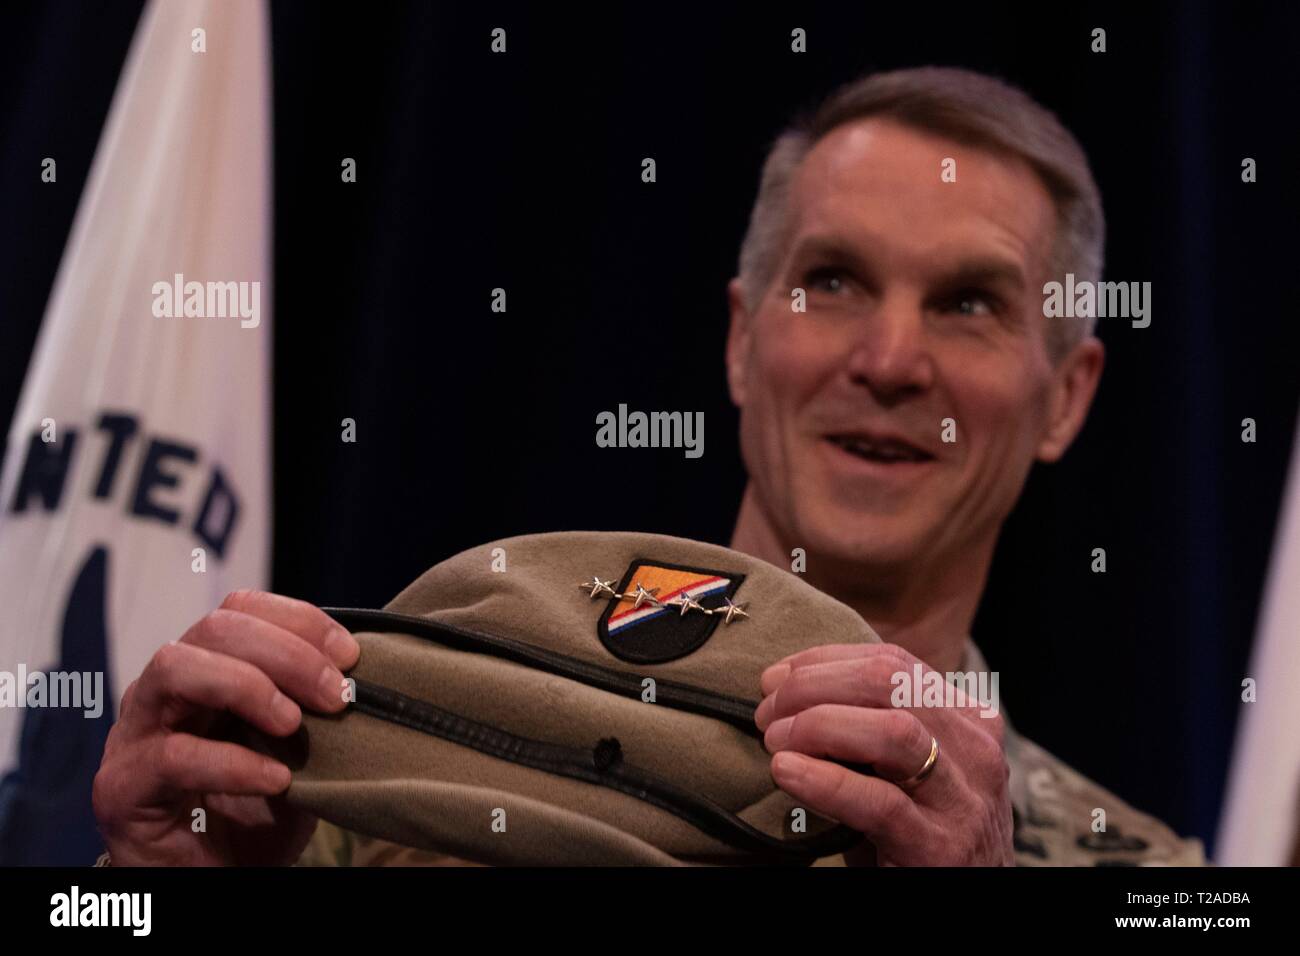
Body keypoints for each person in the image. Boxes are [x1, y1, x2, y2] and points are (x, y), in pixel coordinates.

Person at [92, 66, 1204, 866]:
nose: (888, 360)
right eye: (831, 281)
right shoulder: (398, 717)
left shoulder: (1149, 871)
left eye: (968, 304)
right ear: (741, 339)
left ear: (1066, 396)